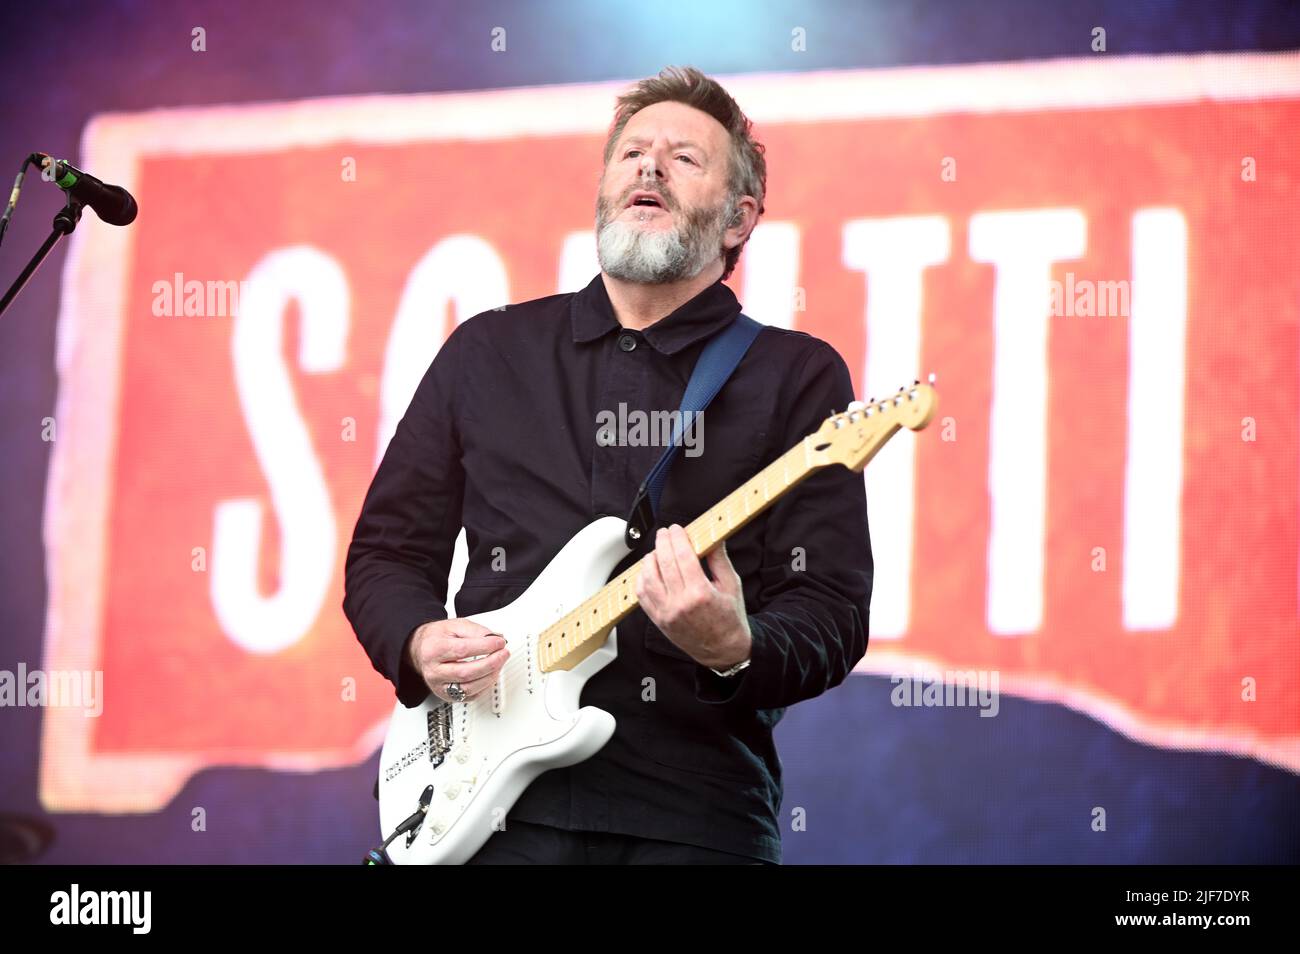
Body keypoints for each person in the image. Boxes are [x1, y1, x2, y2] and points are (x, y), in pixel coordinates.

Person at [343, 65, 872, 865]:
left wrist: (734, 645)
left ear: (739, 219)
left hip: (690, 817)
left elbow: (832, 609)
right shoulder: (488, 350)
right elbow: (386, 552)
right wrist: (416, 642)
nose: (650, 167)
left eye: (685, 159)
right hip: (485, 815)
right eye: (631, 154)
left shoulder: (795, 376)